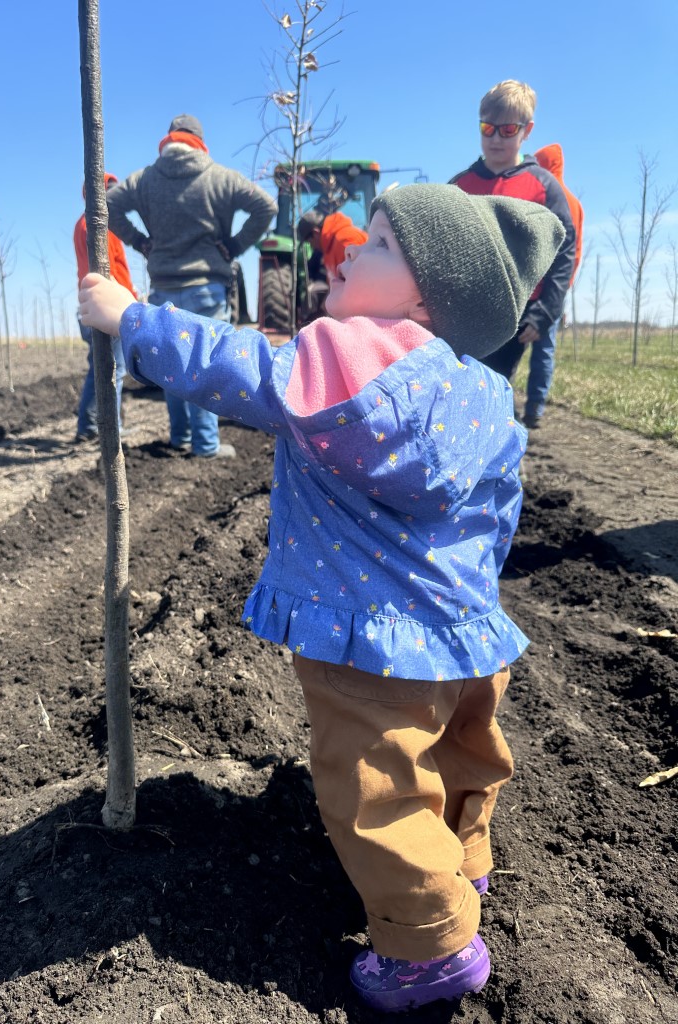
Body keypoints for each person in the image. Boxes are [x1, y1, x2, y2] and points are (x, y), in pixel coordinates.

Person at [79, 183, 564, 1012]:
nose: (343, 250)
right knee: (460, 756)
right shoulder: (484, 393)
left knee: (372, 792)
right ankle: (467, 862)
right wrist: (472, 606)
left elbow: (241, 365)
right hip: (469, 632)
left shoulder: (343, 354)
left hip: (371, 643)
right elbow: (498, 515)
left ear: (422, 294)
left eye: (373, 243)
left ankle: (428, 945)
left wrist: (131, 320)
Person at [106, 114, 277, 458]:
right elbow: (266, 206)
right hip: (207, 286)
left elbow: (107, 204)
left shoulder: (144, 180)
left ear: (169, 140)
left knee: (169, 360)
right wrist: (234, 246)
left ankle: (180, 436)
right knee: (206, 361)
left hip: (163, 286)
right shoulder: (220, 177)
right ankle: (206, 444)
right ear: (199, 142)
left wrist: (140, 242)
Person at [450, 80, 576, 429]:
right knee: (464, 389)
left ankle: (503, 465)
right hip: (467, 311)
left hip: (517, 315)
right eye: (487, 128)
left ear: (527, 130)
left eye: (507, 130)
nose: (495, 139)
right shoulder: (460, 186)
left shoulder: (543, 188)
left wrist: (547, 310)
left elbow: (565, 250)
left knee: (492, 385)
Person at [73, 172, 138, 443]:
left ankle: (93, 426)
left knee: (101, 369)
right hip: (106, 309)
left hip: (103, 306)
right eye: (109, 191)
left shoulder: (97, 226)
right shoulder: (94, 227)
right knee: (112, 371)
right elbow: (105, 274)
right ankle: (105, 430)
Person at [535, 143, 584, 285]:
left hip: (533, 285)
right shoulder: (575, 204)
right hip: (558, 286)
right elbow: (576, 251)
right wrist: (565, 284)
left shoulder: (537, 194)